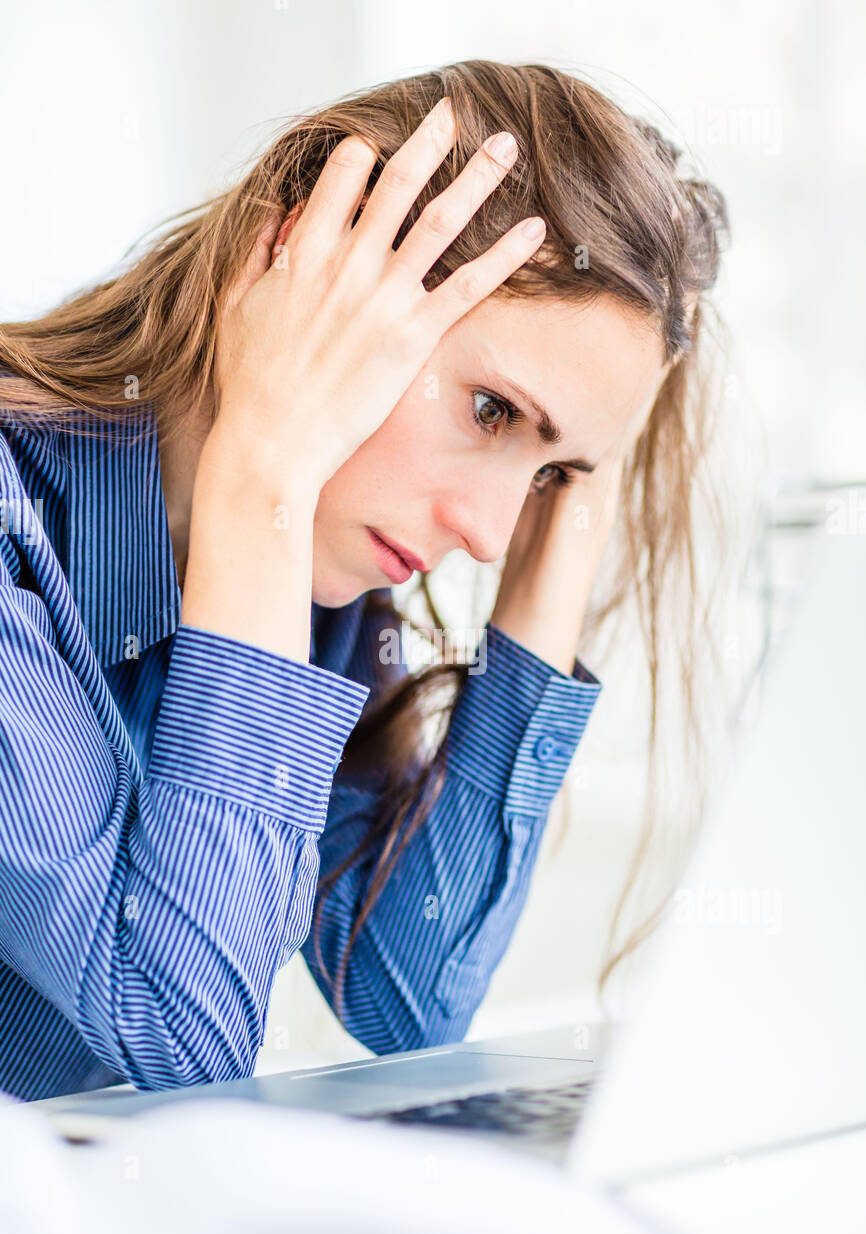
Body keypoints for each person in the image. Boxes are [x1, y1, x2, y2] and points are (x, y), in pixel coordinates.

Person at [0, 60, 728, 1101]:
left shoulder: (312, 591)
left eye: (547, 471)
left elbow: (409, 998)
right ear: (310, 267)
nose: (487, 535)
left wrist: (574, 501)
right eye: (488, 411)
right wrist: (264, 471)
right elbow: (174, 1045)